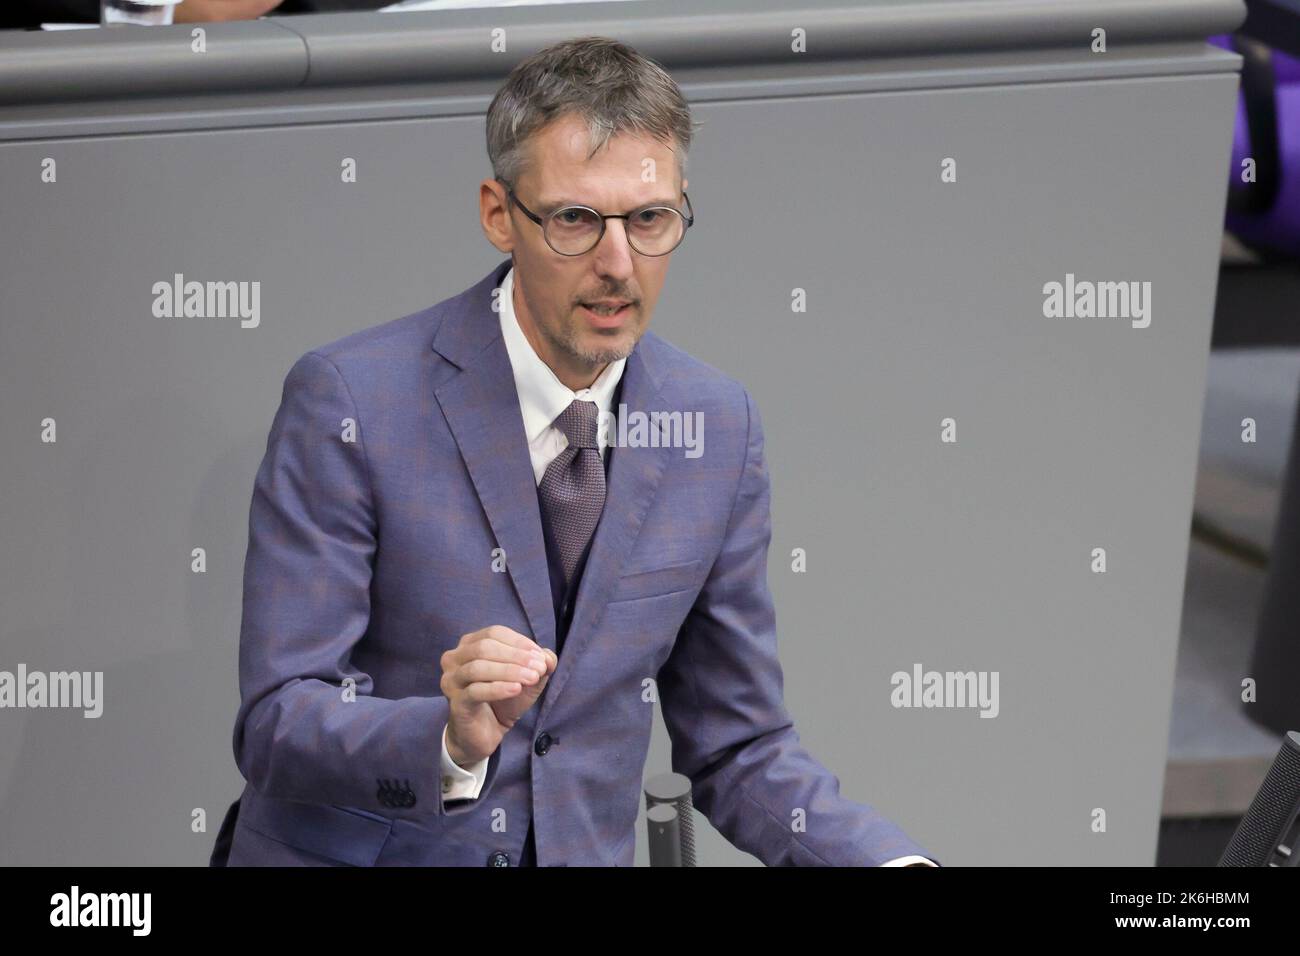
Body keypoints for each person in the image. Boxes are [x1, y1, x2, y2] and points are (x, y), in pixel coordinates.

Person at [214, 35, 939, 867]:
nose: (617, 263)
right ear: (499, 215)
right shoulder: (351, 400)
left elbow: (739, 748)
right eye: (574, 220)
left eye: (650, 220)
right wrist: (447, 738)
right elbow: (278, 720)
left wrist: (888, 864)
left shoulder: (715, 424)